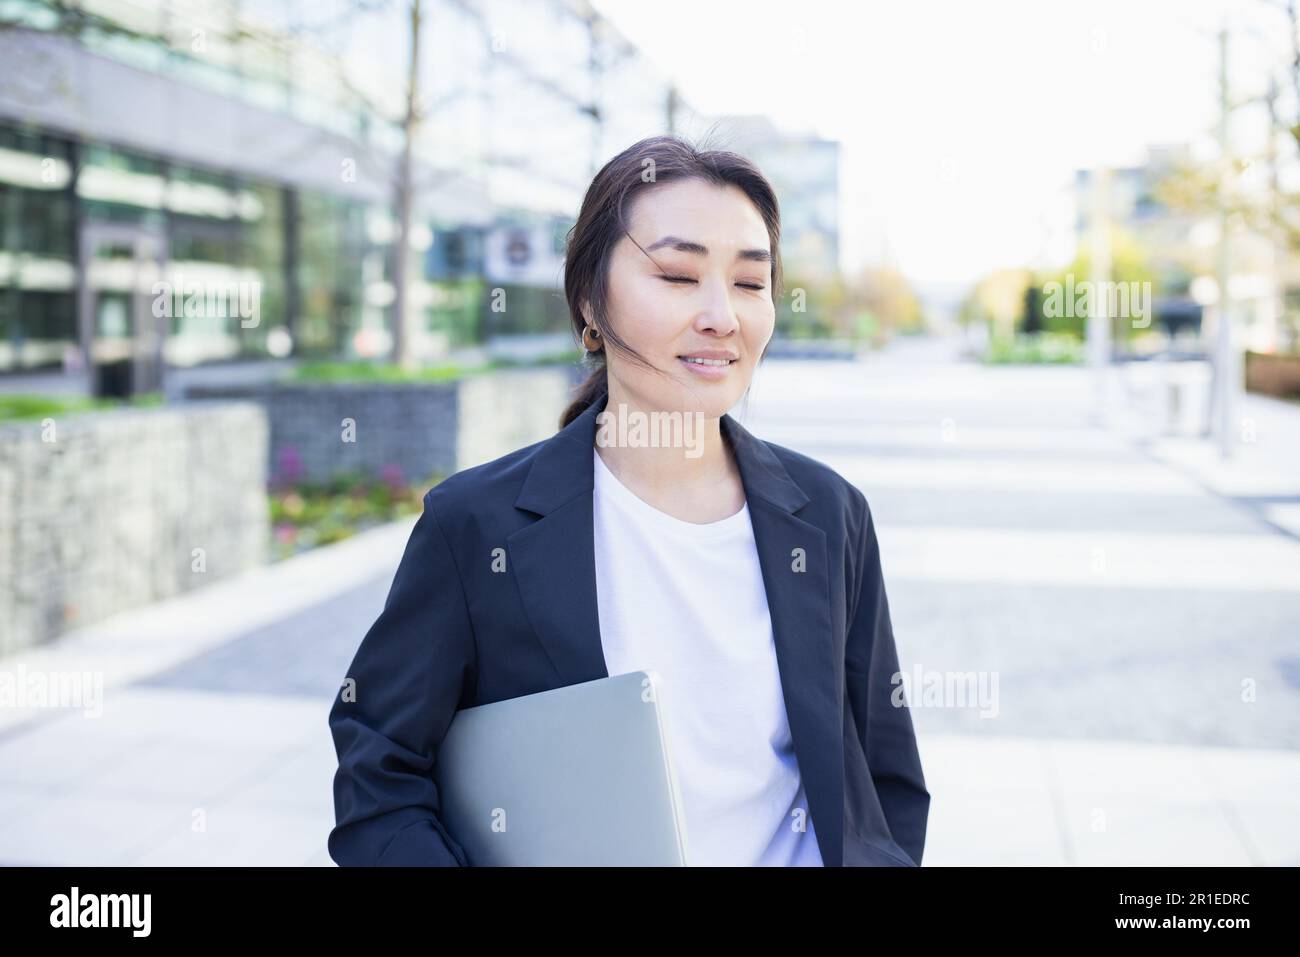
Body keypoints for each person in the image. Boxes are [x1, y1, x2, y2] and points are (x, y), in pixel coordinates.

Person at [327, 133, 929, 867]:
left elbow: (885, 776)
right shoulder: (474, 526)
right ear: (589, 302)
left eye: (749, 282)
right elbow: (377, 770)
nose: (722, 316)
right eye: (677, 274)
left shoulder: (831, 514)